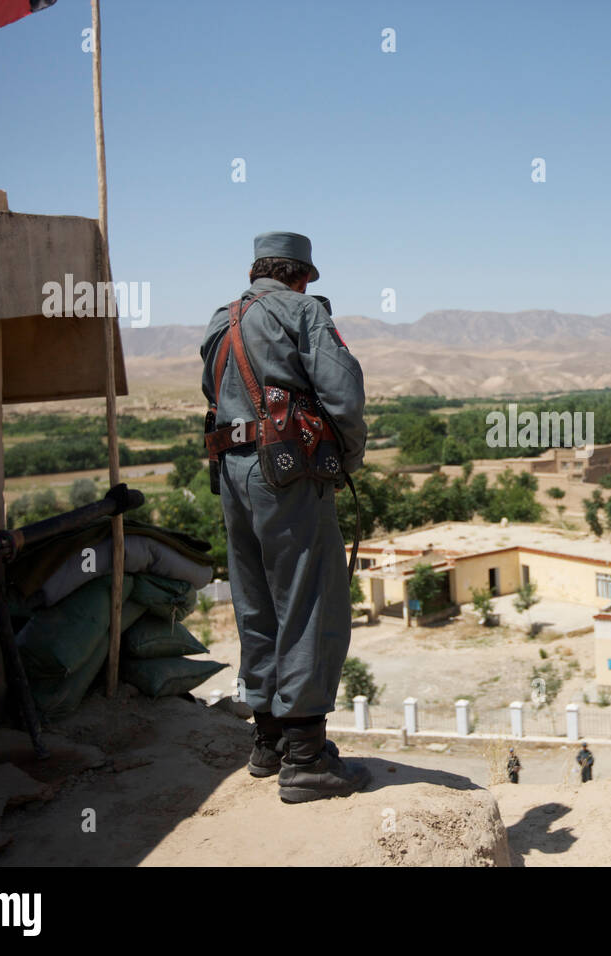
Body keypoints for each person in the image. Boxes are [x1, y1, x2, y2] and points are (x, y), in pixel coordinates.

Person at [200, 231, 370, 803]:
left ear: (257, 272)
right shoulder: (303, 312)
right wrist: (345, 459)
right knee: (309, 600)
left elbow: (211, 391)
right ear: (301, 275)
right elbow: (343, 393)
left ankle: (267, 740)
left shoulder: (220, 320)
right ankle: (306, 760)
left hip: (232, 472)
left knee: (255, 602)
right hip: (288, 473)